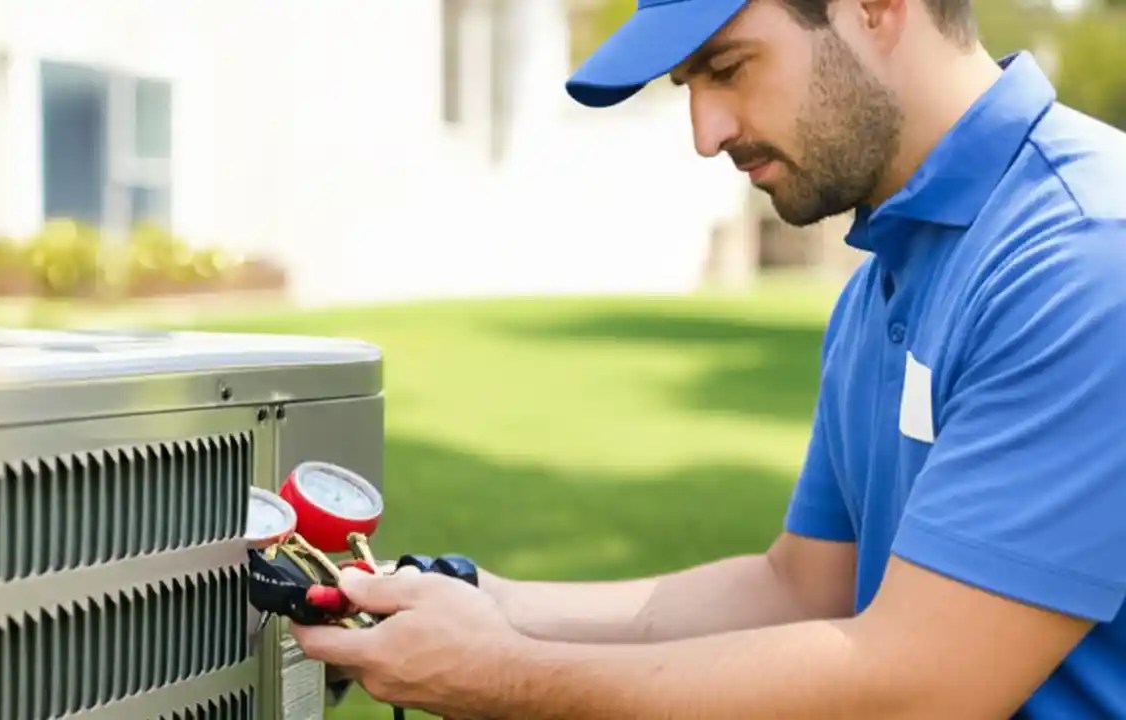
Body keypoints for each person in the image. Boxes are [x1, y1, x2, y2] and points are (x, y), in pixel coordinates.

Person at [291, 0, 1126, 716]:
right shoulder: (884, 282)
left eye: (728, 67)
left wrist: (505, 676)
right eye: (689, 86)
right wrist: (481, 599)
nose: (706, 133)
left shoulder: (1083, 258)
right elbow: (799, 588)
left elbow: (923, 688)